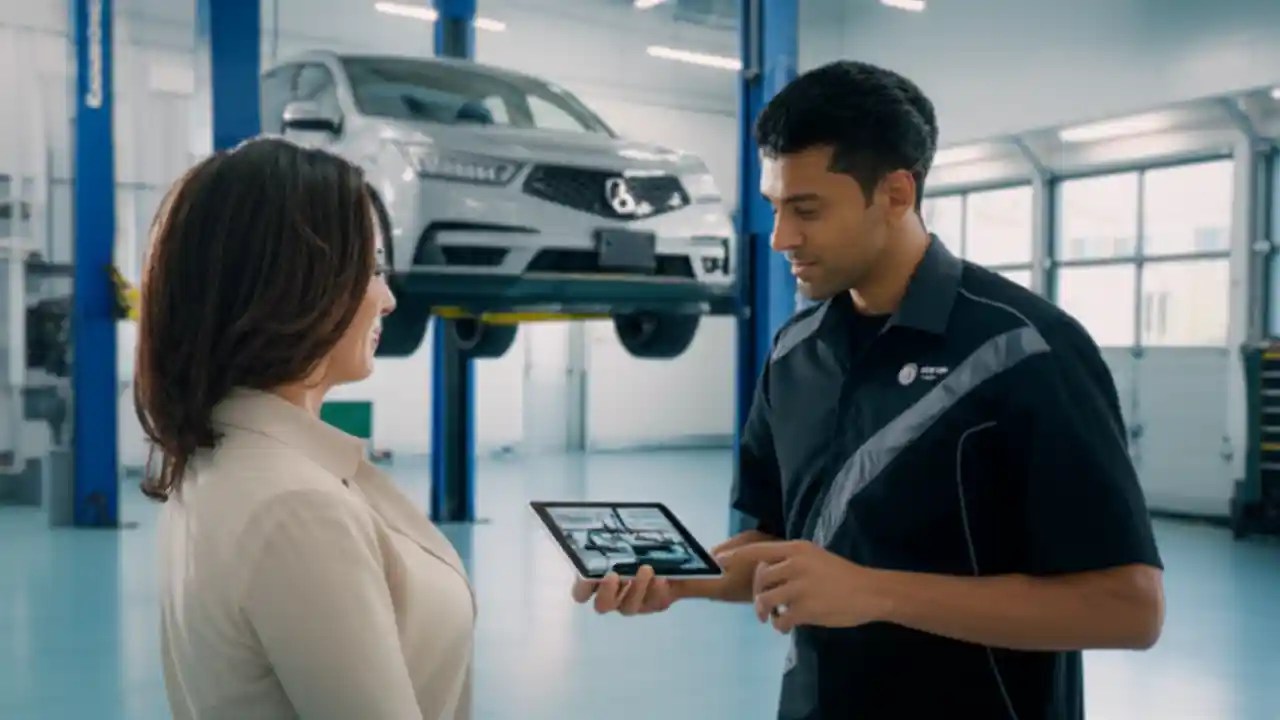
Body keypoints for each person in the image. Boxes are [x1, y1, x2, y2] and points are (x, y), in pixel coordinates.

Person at [572, 60, 1166, 719]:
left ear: (896, 194)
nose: (780, 238)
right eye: (775, 208)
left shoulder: (1027, 349)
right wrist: (688, 579)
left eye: (807, 210)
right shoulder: (795, 352)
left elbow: (1129, 608)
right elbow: (776, 547)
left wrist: (875, 592)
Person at [135, 137, 475, 720]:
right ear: (296, 284)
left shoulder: (219, 458)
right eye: (369, 268)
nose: (388, 300)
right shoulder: (296, 506)